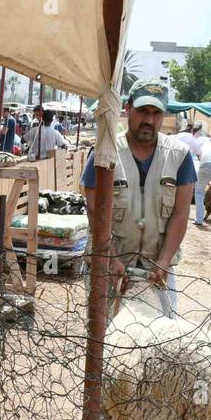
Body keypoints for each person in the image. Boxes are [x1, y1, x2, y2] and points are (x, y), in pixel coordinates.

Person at [81, 78, 195, 313]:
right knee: (106, 337)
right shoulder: (105, 151)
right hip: (109, 265)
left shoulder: (179, 156)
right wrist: (111, 258)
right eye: (143, 111)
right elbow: (94, 212)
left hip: (157, 268)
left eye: (157, 113)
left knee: (162, 336)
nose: (149, 120)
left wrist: (163, 263)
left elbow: (181, 214)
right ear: (128, 108)